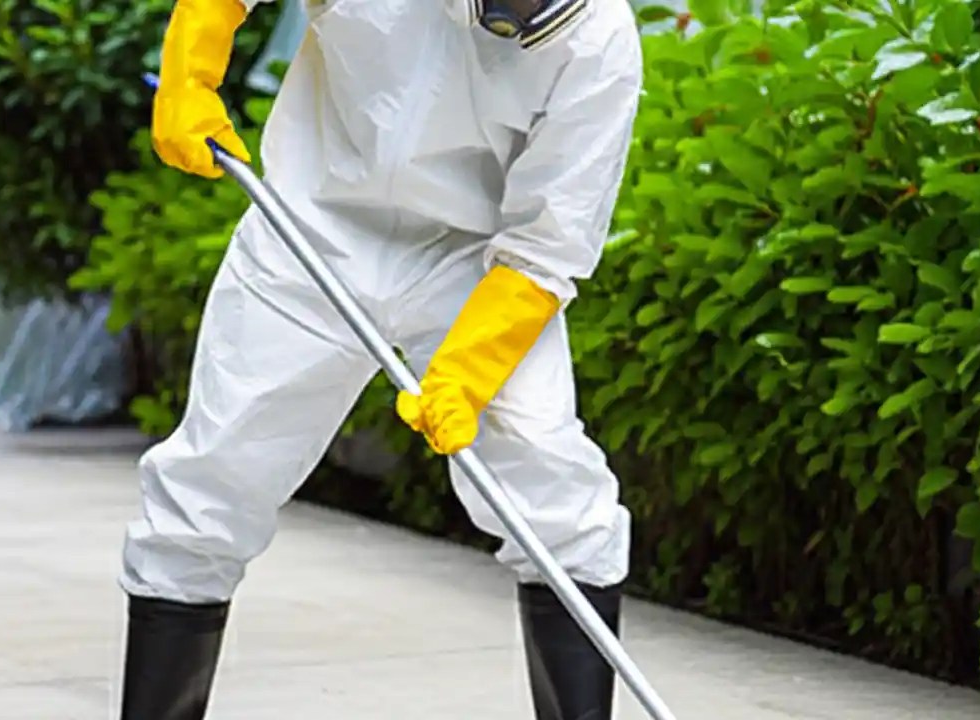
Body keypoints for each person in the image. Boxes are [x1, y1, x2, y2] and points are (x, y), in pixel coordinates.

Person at [117, 0, 643, 717]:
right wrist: (191, 67)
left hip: (473, 265)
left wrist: (468, 371)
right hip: (311, 227)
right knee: (212, 480)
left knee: (552, 494)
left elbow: (549, 242)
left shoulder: (600, 41)